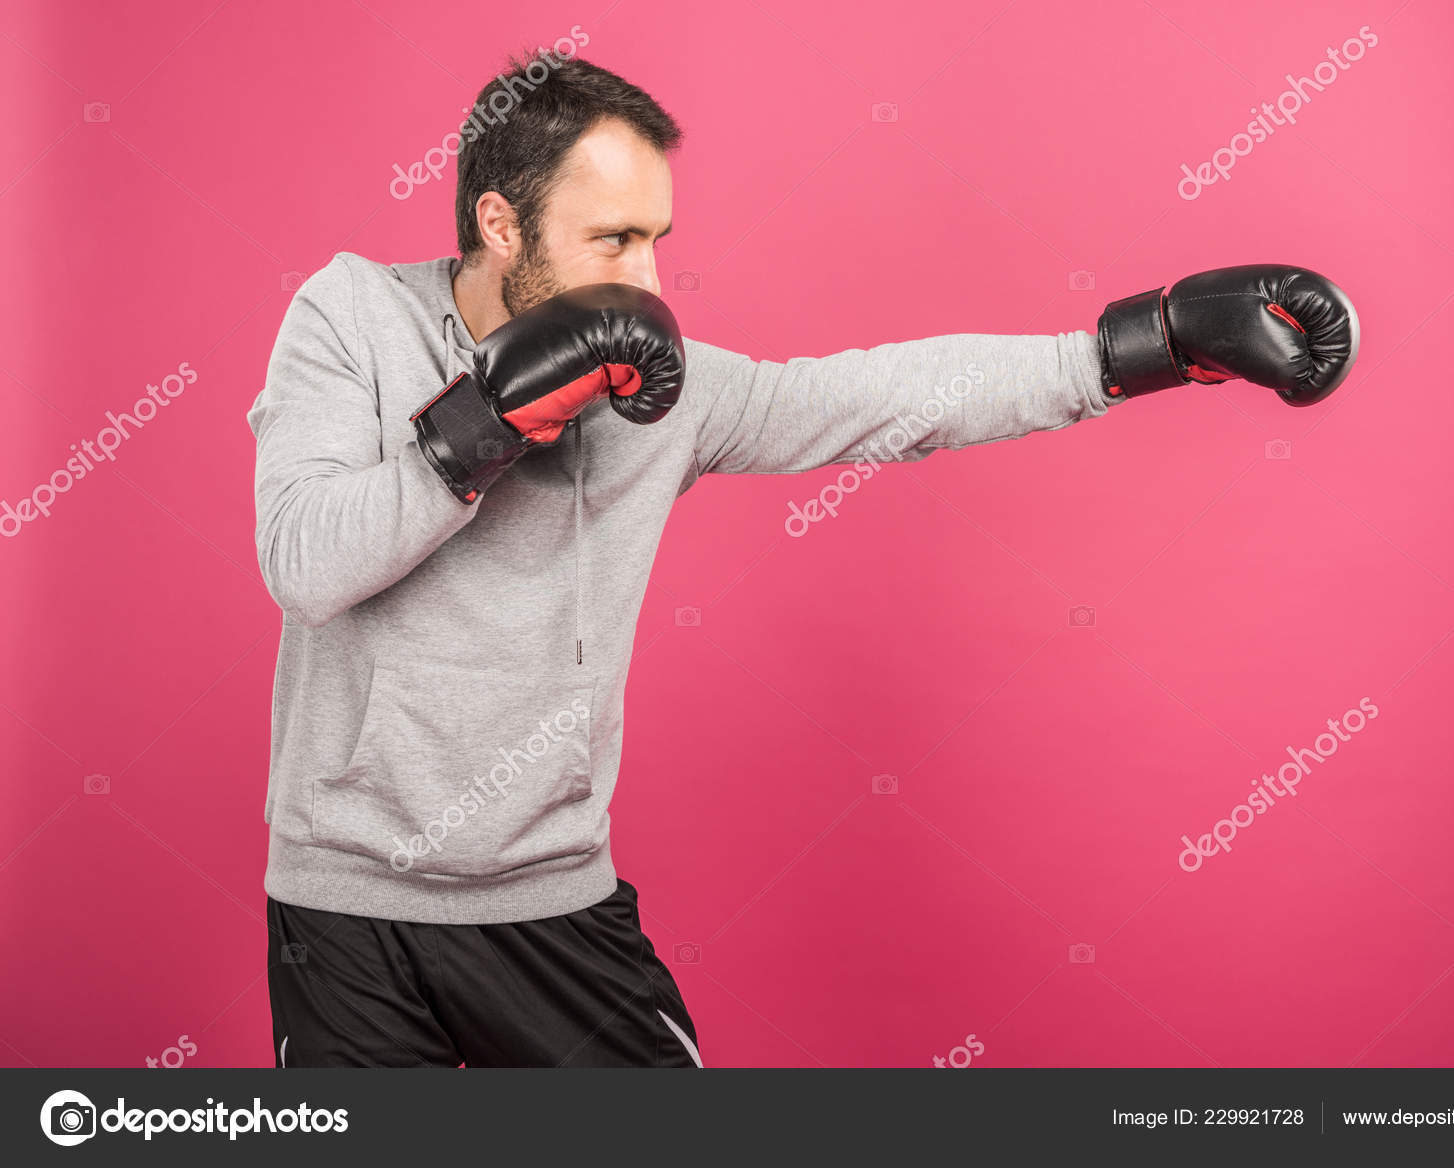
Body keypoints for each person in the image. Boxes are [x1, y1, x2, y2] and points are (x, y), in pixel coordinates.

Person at [248, 51, 1358, 1068]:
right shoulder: (352, 317)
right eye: (614, 241)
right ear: (501, 222)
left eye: (657, 238)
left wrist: (1136, 348)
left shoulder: (657, 389)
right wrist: (488, 419)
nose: (649, 282)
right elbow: (305, 561)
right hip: (347, 912)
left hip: (551, 899)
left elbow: (878, 397)